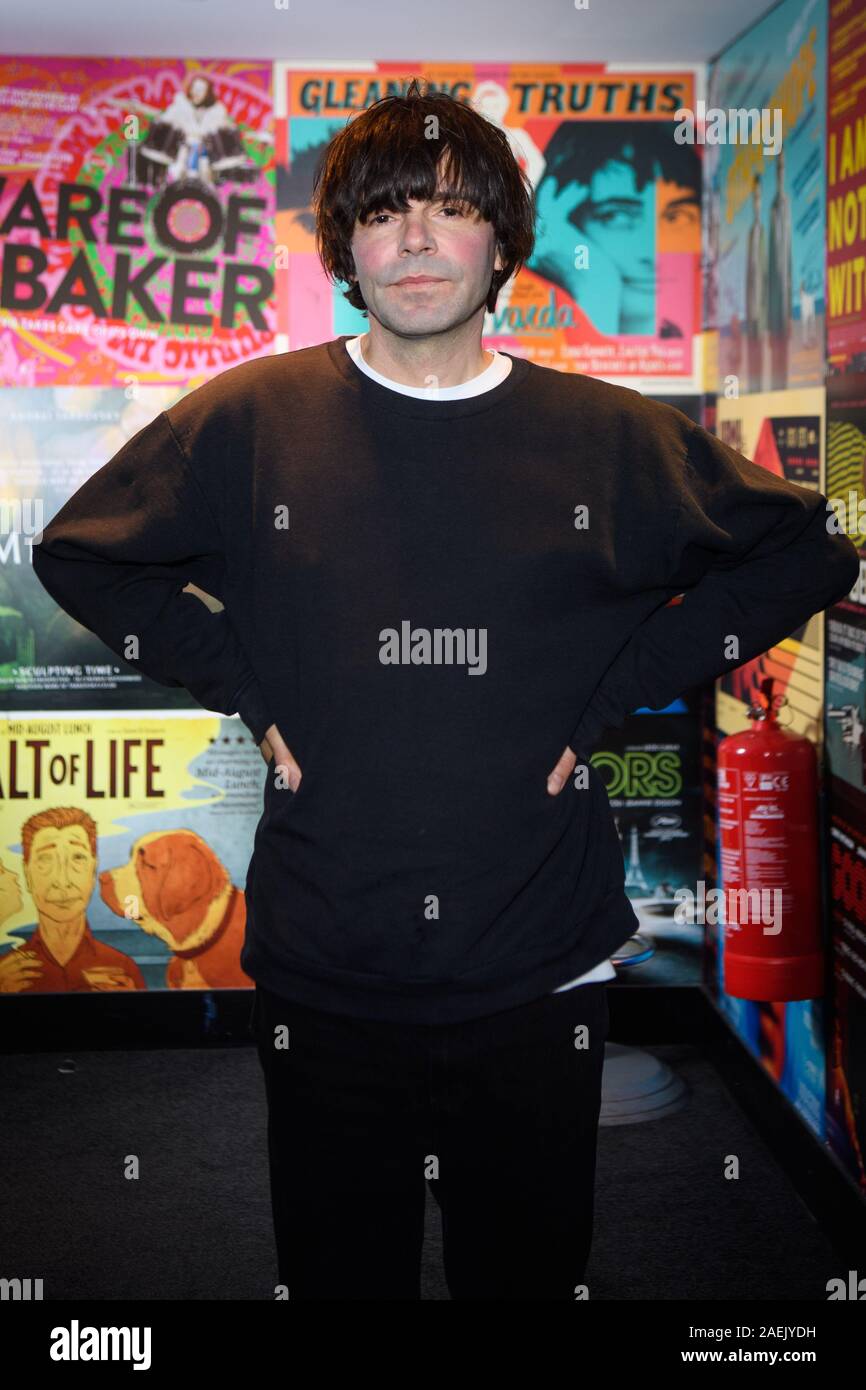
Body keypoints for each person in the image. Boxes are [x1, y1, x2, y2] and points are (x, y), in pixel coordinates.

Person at [31, 78, 860, 1301]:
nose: (416, 238)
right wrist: (246, 687)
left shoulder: (606, 436)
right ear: (347, 252)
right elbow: (80, 554)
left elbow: (812, 545)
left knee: (521, 1283)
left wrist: (611, 693)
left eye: (450, 208)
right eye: (385, 214)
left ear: (502, 246)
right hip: (326, 968)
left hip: (539, 970)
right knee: (338, 1281)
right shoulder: (255, 420)